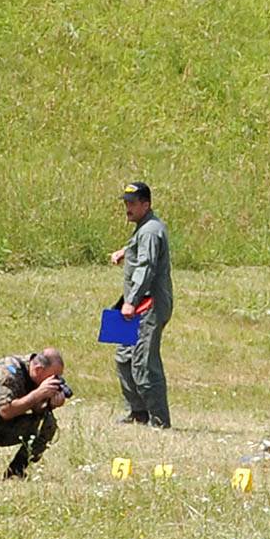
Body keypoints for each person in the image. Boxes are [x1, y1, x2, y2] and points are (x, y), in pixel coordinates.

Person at [110, 181, 173, 428]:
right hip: (136, 304)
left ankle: (159, 420)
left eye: (132, 204)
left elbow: (146, 267)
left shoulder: (150, 231)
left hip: (147, 305)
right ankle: (138, 412)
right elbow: (143, 249)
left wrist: (131, 301)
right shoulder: (144, 229)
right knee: (123, 357)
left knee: (144, 362)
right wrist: (126, 250)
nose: (127, 208)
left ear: (146, 204)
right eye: (125, 203)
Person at [0, 349, 67, 479]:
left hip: (7, 423)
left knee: (48, 423)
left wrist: (49, 404)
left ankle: (17, 469)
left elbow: (34, 409)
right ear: (38, 369)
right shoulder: (8, 370)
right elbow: (6, 411)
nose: (55, 382)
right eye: (53, 378)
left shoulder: (36, 378)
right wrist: (39, 393)